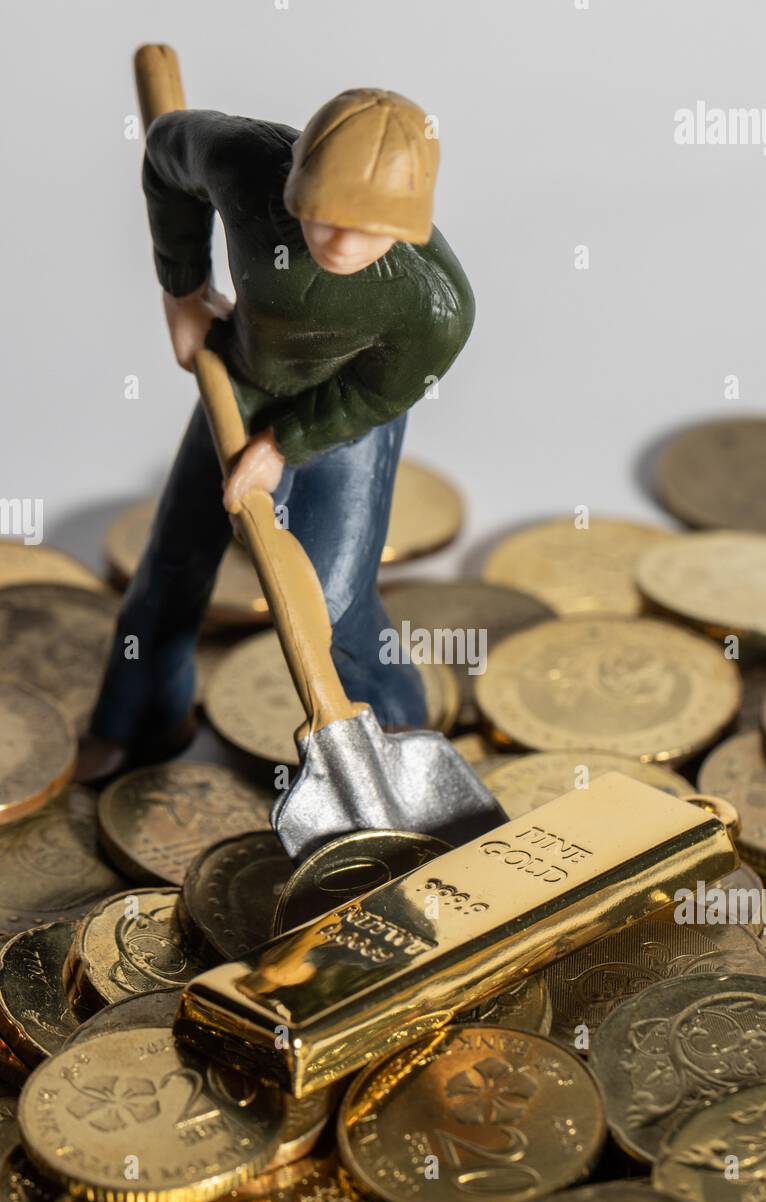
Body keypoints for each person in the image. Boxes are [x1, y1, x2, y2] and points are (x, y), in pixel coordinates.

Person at [80, 88, 474, 779]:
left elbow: (381, 391)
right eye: (328, 219)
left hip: (344, 419)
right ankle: (139, 720)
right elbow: (167, 154)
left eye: (373, 228)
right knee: (172, 563)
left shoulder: (432, 301)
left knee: (331, 603)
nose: (346, 244)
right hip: (241, 380)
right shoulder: (244, 161)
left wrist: (280, 446)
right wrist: (184, 288)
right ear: (294, 175)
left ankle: (400, 738)